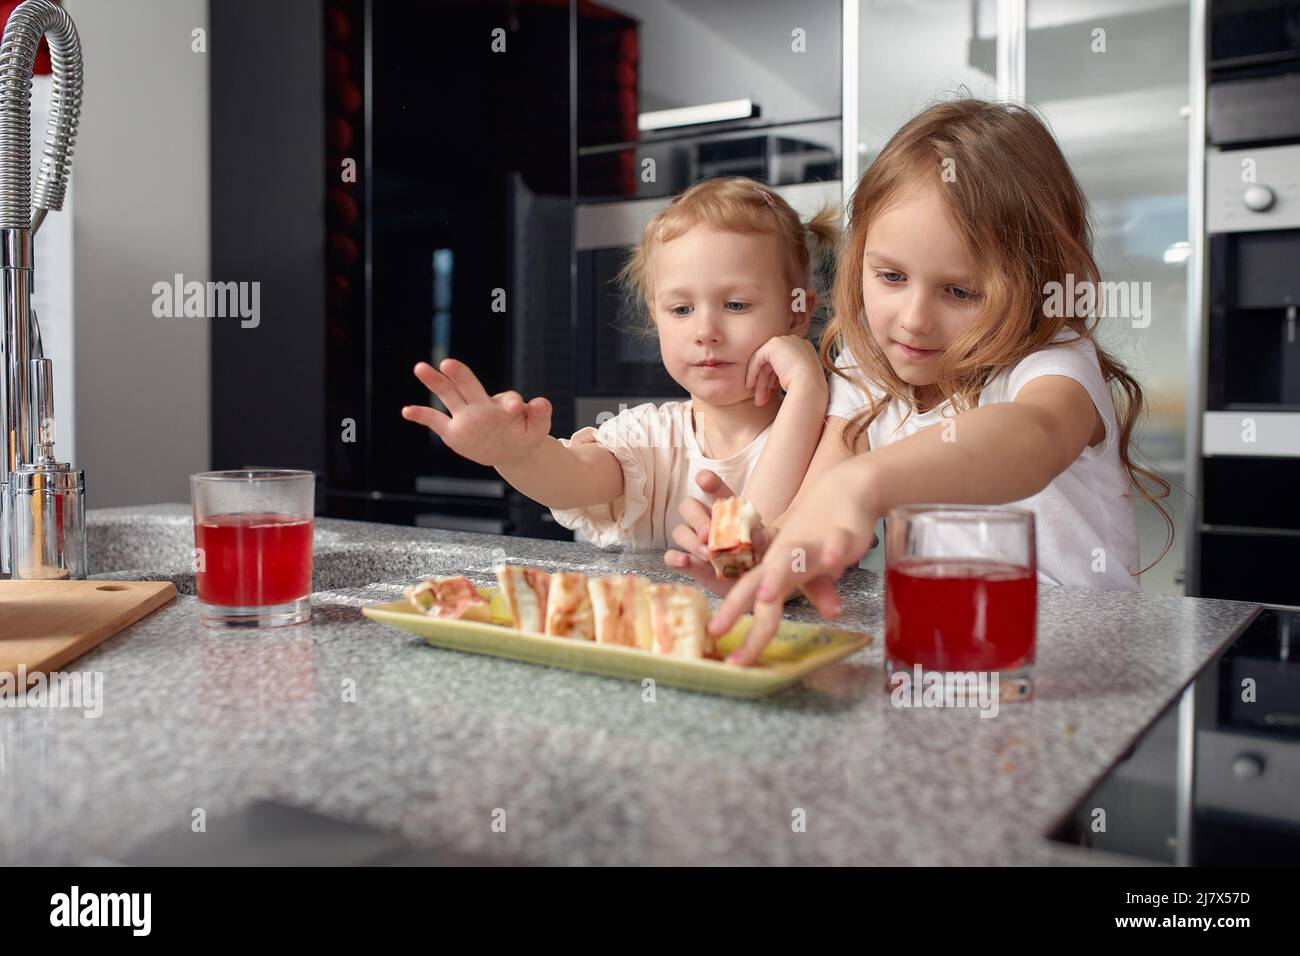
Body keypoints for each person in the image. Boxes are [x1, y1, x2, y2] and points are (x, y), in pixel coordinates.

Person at [675, 99, 1172, 666]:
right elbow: (817, 520)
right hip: (945, 659)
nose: (914, 319)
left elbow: (1032, 437)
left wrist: (867, 483)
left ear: (1036, 283)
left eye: (960, 292)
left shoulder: (1053, 365)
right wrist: (765, 558)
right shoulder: (866, 381)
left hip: (1081, 669)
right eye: (890, 276)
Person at [401, 176, 839, 550]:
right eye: (681, 310)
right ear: (655, 314)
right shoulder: (646, 436)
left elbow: (757, 543)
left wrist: (806, 387)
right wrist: (517, 456)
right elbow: (574, 477)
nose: (705, 330)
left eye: (737, 304)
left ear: (798, 312)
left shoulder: (836, 436)